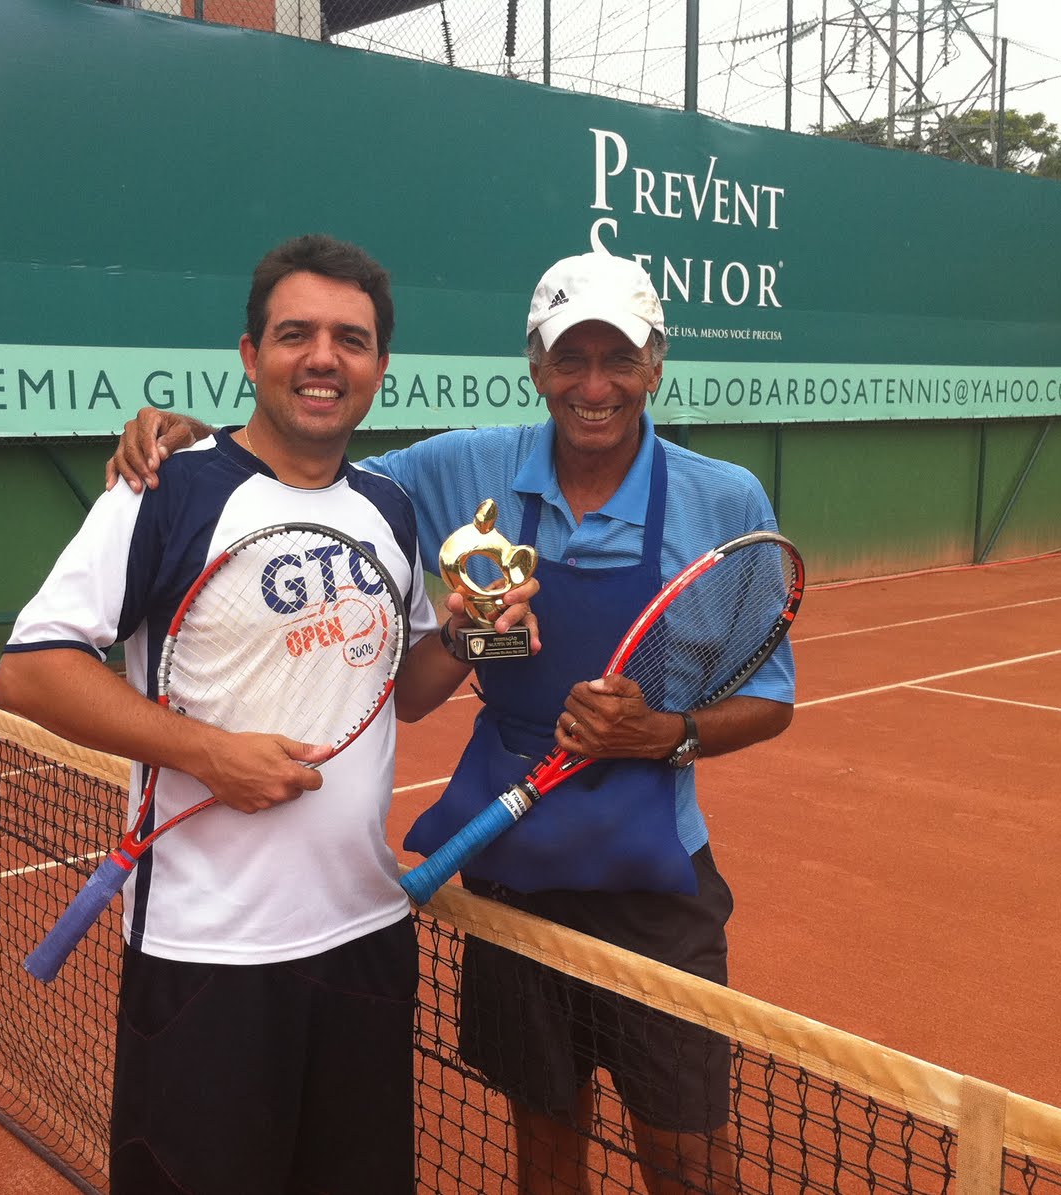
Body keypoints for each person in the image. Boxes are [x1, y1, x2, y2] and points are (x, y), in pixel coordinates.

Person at [105, 249, 796, 1195]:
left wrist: (663, 735)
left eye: (619, 360)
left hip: (656, 887)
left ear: (656, 364)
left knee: (687, 1159)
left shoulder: (727, 501)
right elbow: (307, 468)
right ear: (535, 364)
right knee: (544, 1146)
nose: (594, 386)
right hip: (507, 875)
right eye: (570, 359)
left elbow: (770, 698)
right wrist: (202, 443)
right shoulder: (459, 465)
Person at [0, 234, 514, 1195]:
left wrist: (473, 634)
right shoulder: (164, 490)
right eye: (296, 334)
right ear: (249, 354)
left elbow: (398, 688)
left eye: (350, 340)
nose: (324, 357)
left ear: (379, 369)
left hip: (366, 937)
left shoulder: (390, 509)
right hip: (209, 959)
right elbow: (32, 670)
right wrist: (212, 755)